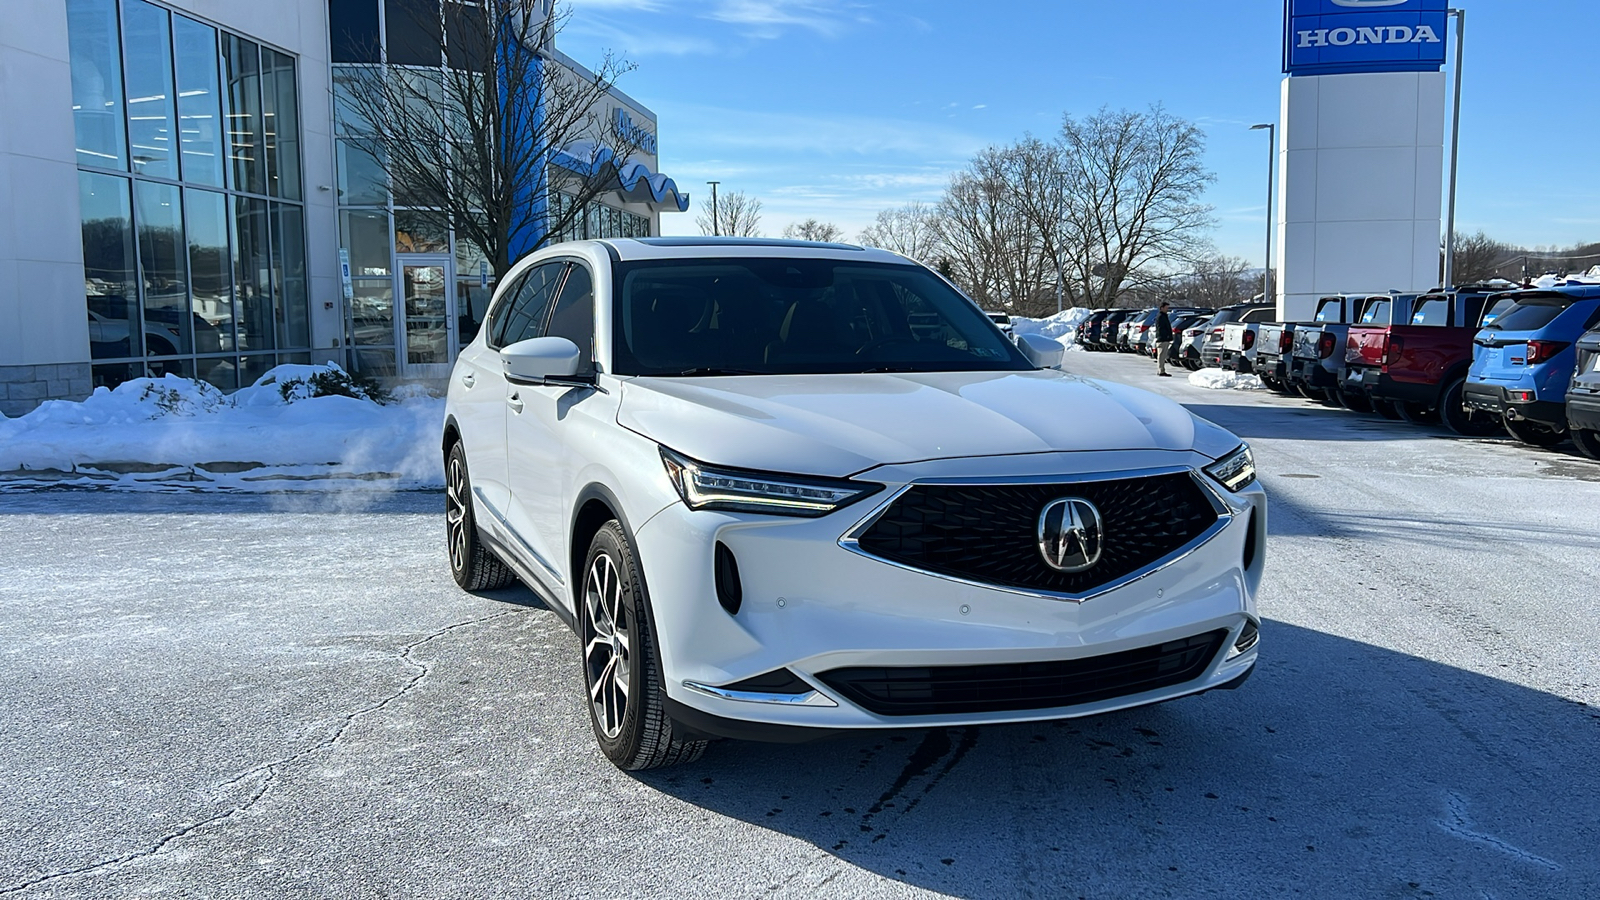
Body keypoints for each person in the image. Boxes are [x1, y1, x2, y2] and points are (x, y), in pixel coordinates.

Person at [1154, 302, 1174, 377]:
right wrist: (1166, 336)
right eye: (1166, 308)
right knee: (1161, 355)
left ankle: (1161, 370)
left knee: (1163, 355)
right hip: (1162, 339)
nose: (1167, 309)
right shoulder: (1161, 316)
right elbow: (1161, 328)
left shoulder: (1164, 316)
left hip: (1164, 338)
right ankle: (1161, 371)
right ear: (1161, 308)